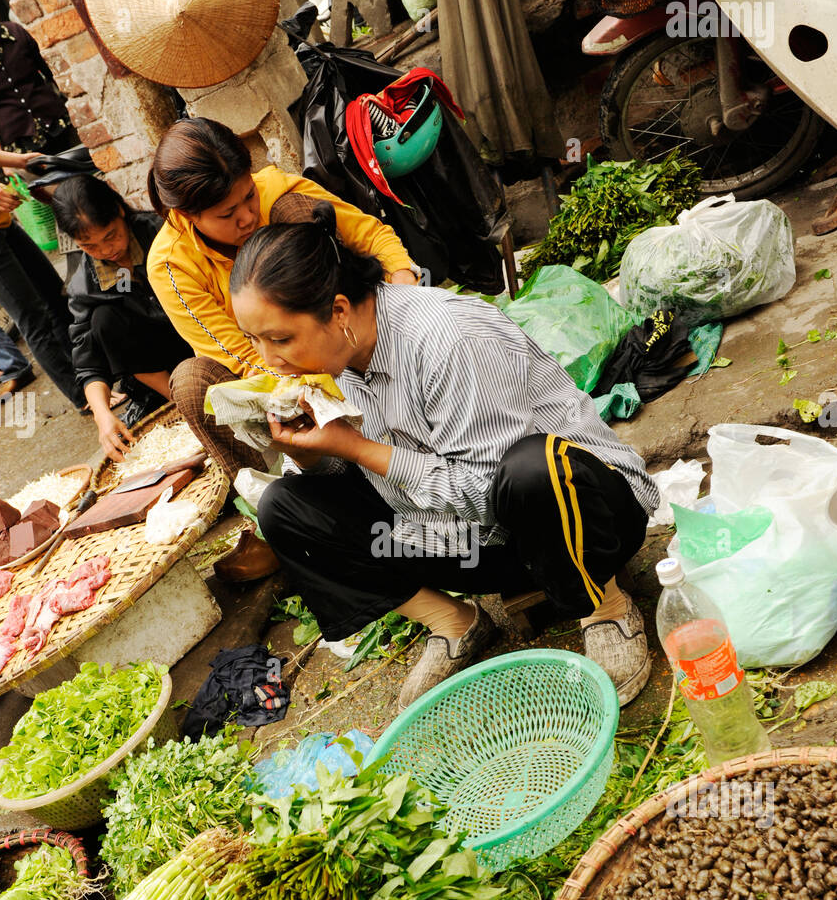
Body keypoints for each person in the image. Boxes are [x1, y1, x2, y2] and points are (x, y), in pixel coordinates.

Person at [229, 202, 660, 709]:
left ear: (339, 311)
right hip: (471, 544)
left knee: (530, 470)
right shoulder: (337, 358)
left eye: (280, 338)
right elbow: (361, 478)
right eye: (254, 339)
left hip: (581, 520)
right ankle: (455, 623)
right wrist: (311, 454)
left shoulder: (446, 339)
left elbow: (492, 491)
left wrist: (358, 447)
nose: (268, 358)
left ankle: (605, 606)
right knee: (284, 506)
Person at [146, 116, 418, 581]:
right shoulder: (170, 263)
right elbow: (237, 353)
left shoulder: (277, 193)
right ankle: (280, 515)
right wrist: (300, 379)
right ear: (187, 217)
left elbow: (372, 236)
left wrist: (409, 292)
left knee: (300, 212)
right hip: (276, 371)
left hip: (345, 336)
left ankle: (387, 430)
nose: (248, 216)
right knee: (191, 382)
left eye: (247, 196)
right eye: (227, 215)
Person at [50, 174, 191, 460]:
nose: (105, 251)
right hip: (160, 367)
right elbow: (88, 361)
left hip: (200, 337)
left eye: (110, 235)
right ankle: (182, 402)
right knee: (104, 319)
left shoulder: (164, 234)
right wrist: (102, 416)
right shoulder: (87, 285)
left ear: (120, 210)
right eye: (89, 246)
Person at [0, 141, 81, 408]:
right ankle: (82, 396)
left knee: (57, 297)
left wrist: (19, 161)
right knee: (34, 318)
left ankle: (92, 376)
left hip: (3, 223)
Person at [0, 18, 78, 156]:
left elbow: (50, 71)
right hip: (20, 145)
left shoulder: (14, 31)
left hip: (58, 122)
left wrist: (73, 102)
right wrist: (2, 159)